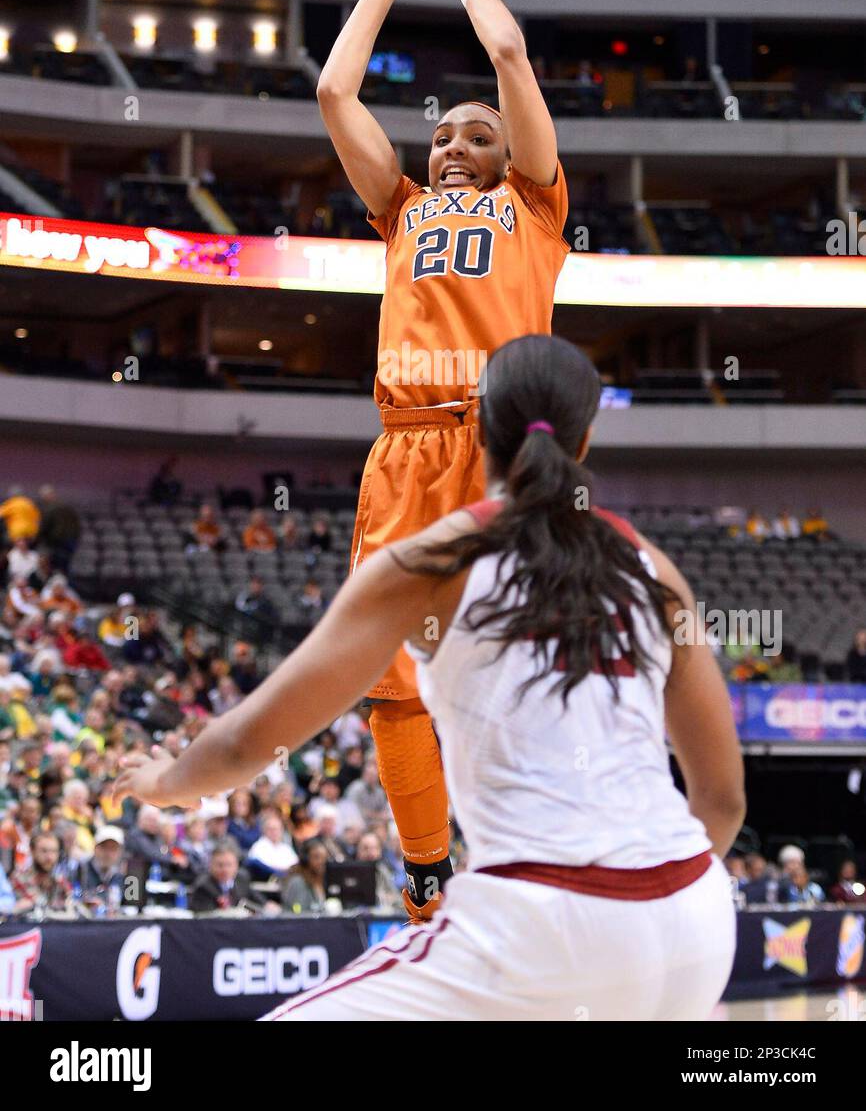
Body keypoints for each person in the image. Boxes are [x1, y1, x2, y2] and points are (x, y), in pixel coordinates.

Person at [114, 334, 744, 1022]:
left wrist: (162, 782)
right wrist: (644, 908)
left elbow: (247, 746)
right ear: (585, 440)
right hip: (696, 921)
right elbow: (722, 798)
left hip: (540, 919)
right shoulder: (654, 571)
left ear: (479, 424)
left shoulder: (434, 561)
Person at [313, 0, 571, 920]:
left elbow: (509, 59)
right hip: (405, 452)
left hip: (504, 452)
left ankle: (537, 863)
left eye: (473, 136)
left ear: (509, 155)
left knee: (518, 667)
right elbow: (336, 93)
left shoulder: (534, 207)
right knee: (387, 678)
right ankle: (425, 875)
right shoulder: (401, 212)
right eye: (440, 135)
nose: (451, 145)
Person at [187, 840, 262, 913]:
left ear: (236, 865)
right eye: (220, 865)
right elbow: (206, 916)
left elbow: (260, 902)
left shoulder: (242, 879)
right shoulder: (203, 886)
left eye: (229, 865)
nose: (225, 870)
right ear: (211, 865)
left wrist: (268, 905)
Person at [281, 838, 329, 913]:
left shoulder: (317, 879)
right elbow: (298, 912)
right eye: (316, 857)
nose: (321, 862)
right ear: (305, 859)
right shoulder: (297, 882)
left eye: (324, 858)